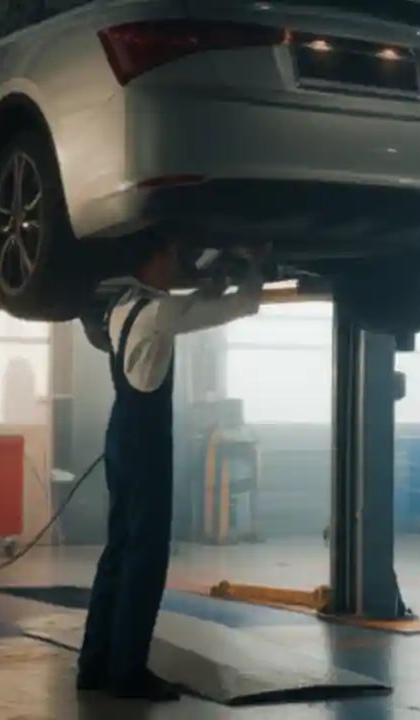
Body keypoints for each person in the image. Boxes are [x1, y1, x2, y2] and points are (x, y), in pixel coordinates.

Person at [77, 240, 266, 701]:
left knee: (119, 550)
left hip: (120, 433)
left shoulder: (124, 306)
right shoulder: (161, 314)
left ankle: (95, 663)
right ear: (154, 258)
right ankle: (128, 671)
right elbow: (243, 305)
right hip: (145, 441)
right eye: (171, 256)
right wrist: (257, 265)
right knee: (146, 555)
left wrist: (205, 284)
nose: (176, 263)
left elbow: (189, 307)